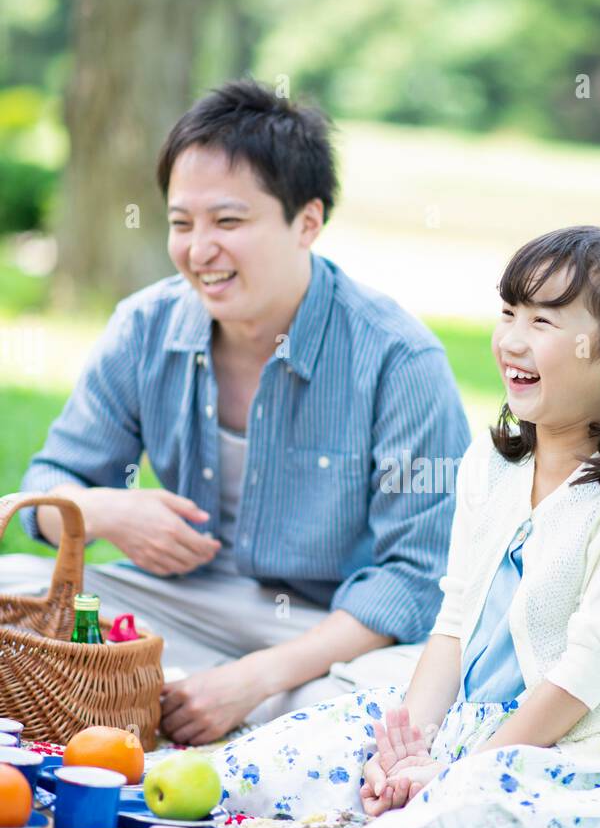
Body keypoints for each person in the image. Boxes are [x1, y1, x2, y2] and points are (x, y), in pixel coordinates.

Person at [215, 224, 600, 828]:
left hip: (583, 752)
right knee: (256, 769)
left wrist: (453, 775)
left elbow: (589, 664)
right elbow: (453, 622)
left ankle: (448, 818)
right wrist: (409, 750)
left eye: (546, 322)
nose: (513, 341)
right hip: (464, 729)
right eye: (510, 313)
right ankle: (414, 793)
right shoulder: (491, 467)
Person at [0, 80, 471, 743]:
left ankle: (180, 706)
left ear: (307, 221)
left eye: (227, 222)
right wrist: (104, 511)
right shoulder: (145, 327)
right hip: (175, 607)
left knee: (403, 697)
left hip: (329, 635)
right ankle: (178, 706)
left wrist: (252, 678)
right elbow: (46, 489)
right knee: (11, 589)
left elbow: (418, 578)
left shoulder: (397, 358)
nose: (198, 251)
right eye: (180, 223)